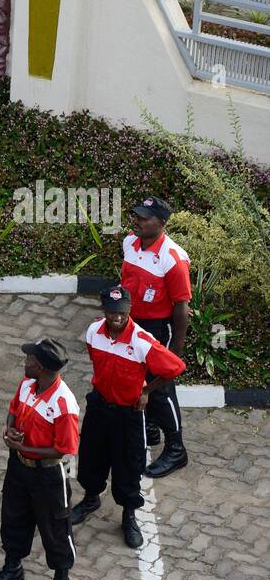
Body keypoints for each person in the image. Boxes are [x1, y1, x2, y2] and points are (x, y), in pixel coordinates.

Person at [71, 285, 186, 548]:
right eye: (112, 313)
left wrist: (147, 389)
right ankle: (90, 498)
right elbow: (95, 360)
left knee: (128, 467)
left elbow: (175, 367)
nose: (117, 318)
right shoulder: (93, 332)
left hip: (128, 415)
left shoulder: (141, 341)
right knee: (90, 458)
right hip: (99, 407)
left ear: (129, 310)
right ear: (104, 311)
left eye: (122, 312)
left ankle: (128, 516)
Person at [0, 338, 80, 580]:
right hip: (18, 469)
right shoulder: (27, 385)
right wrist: (10, 430)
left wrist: (22, 446)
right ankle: (12, 568)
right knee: (13, 518)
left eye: (29, 359)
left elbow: (65, 449)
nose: (24, 361)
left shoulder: (64, 404)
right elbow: (14, 411)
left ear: (40, 366)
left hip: (48, 476)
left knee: (55, 529)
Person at [120, 196, 191, 479]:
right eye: (136, 215)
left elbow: (182, 312)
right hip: (134, 324)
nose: (136, 220)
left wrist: (174, 354)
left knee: (161, 390)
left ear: (161, 224)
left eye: (144, 217)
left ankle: (177, 450)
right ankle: (150, 431)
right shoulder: (130, 243)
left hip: (159, 330)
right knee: (138, 378)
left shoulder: (173, 260)